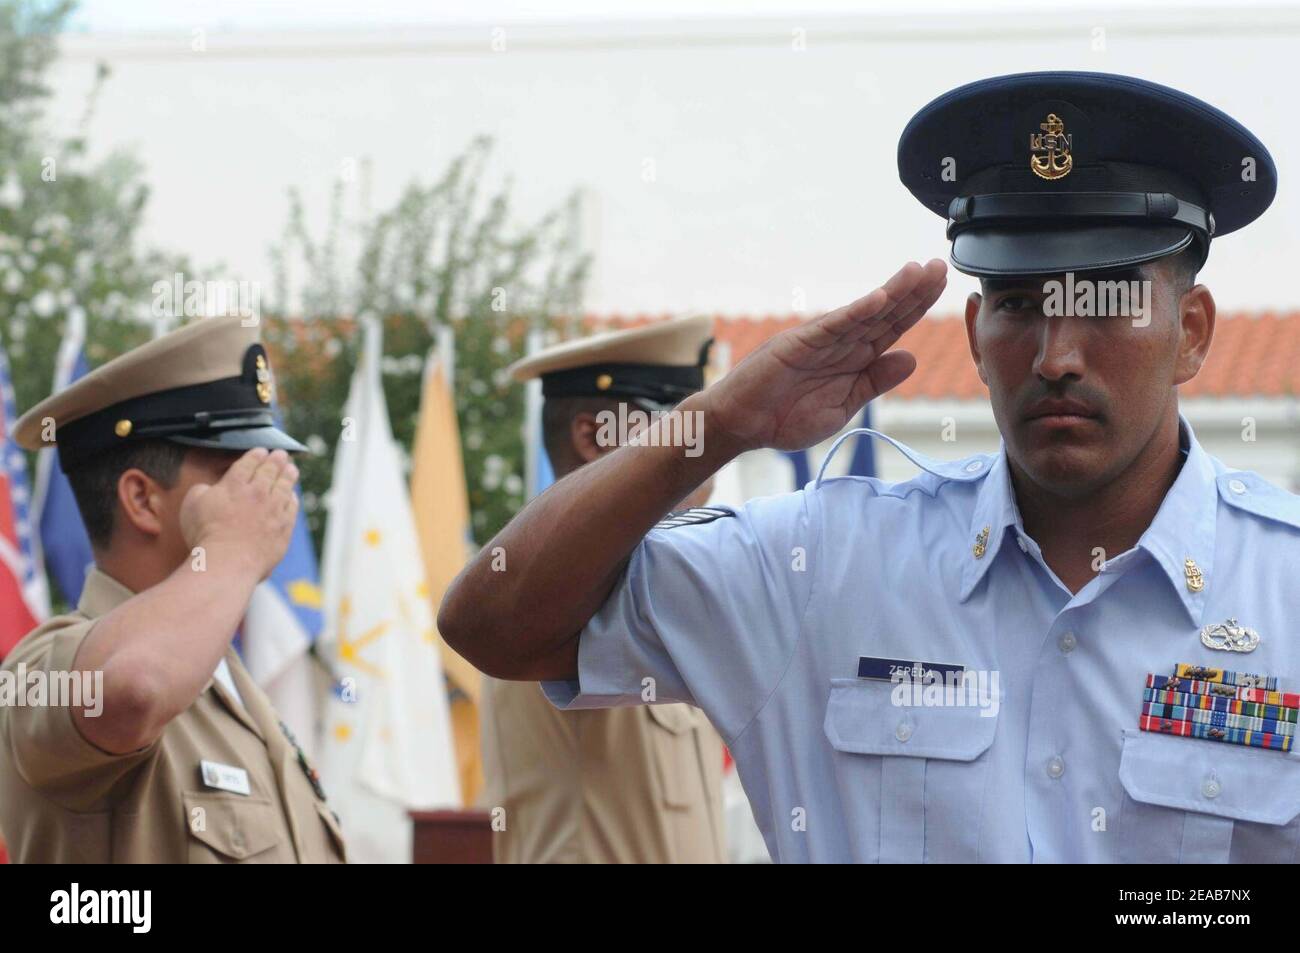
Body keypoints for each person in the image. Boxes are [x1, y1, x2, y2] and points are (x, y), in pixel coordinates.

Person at [440, 71, 1300, 863]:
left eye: (1104, 299)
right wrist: (723, 421)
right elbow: (493, 625)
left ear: (1191, 331)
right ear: (971, 333)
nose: (1056, 354)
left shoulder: (1283, 585)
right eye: (1017, 304)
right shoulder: (827, 564)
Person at [0, 316, 346, 863]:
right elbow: (132, 687)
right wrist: (233, 549)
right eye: (240, 472)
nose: (275, 489)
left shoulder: (235, 693)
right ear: (141, 499)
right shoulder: (40, 670)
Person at [480, 315, 727, 863]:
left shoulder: (656, 572)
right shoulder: (569, 579)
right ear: (594, 437)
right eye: (681, 432)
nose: (706, 452)